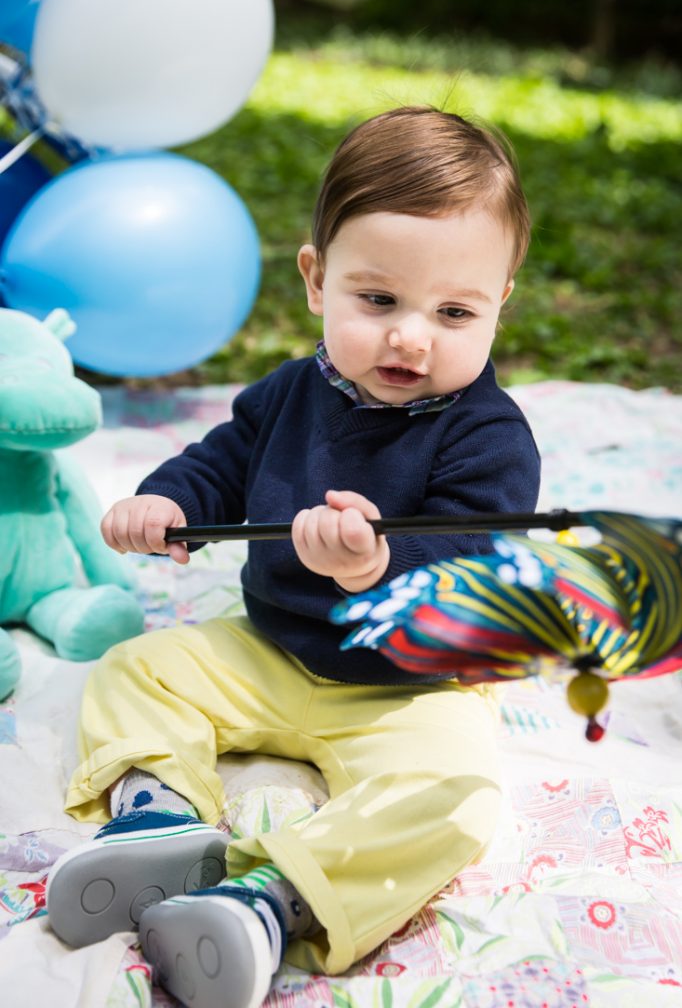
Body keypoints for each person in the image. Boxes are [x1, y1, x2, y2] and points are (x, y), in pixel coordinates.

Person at [46, 105, 540, 1008]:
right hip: (270, 647)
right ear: (318, 280)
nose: (411, 337)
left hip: (408, 687)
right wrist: (169, 501)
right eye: (379, 299)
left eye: (454, 311)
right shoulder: (293, 391)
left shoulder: (491, 440)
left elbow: (477, 574)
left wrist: (373, 573)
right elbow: (220, 464)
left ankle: (270, 902)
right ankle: (154, 821)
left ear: (501, 301)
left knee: (460, 794)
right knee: (137, 670)